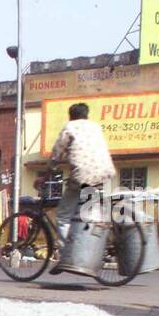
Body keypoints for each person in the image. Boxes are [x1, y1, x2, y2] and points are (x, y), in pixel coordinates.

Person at [46, 102, 116, 274]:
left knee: (63, 216)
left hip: (82, 175)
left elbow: (57, 152)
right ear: (86, 115)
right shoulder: (95, 127)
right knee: (91, 214)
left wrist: (48, 170)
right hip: (105, 173)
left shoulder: (70, 127)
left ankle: (66, 257)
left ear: (71, 115)